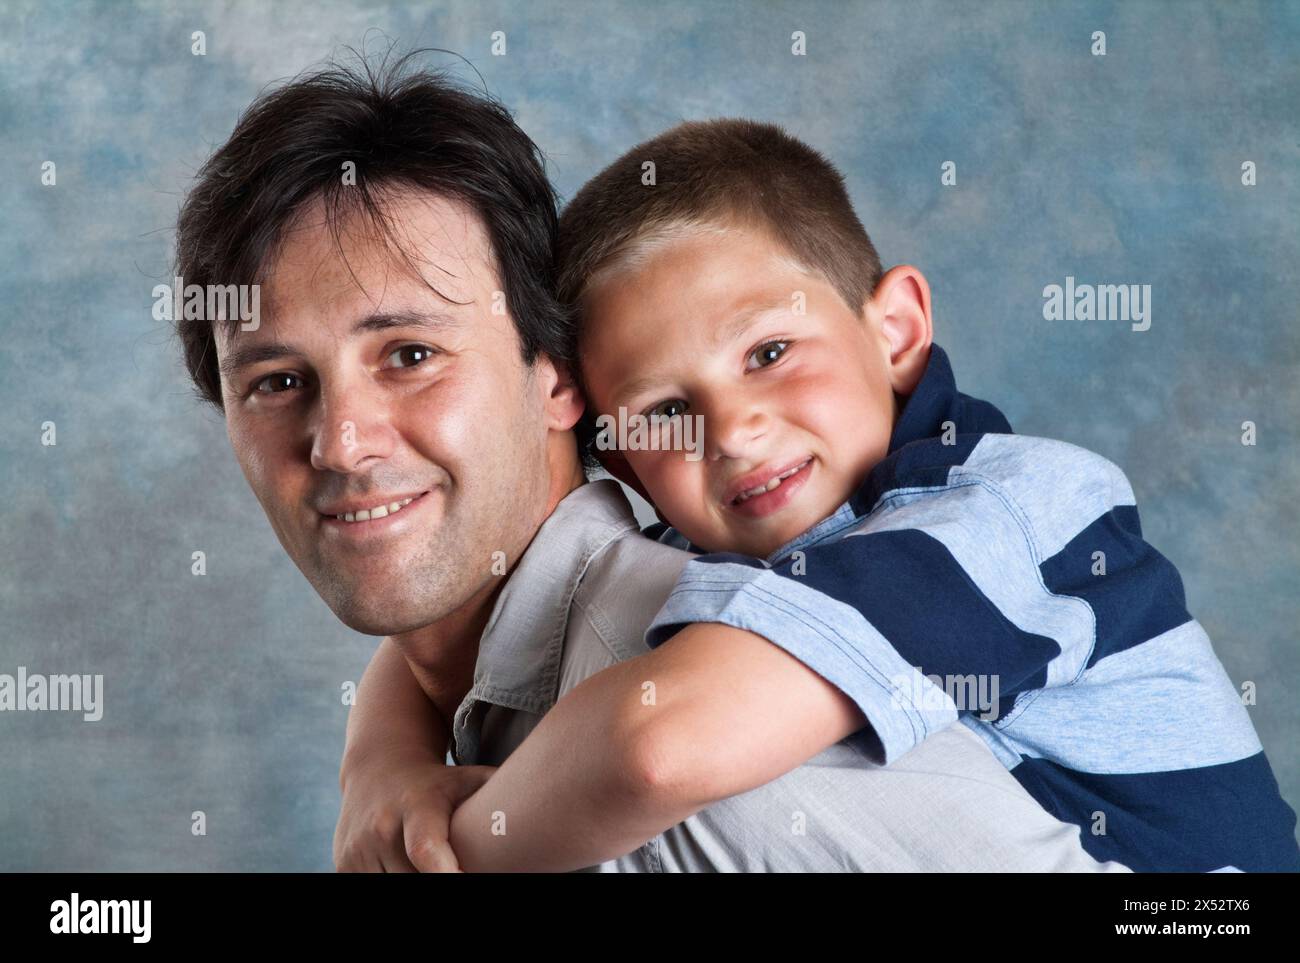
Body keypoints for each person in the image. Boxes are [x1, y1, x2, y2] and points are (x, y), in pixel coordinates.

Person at [175, 53, 1127, 872]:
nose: (343, 443)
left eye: (412, 355)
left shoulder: (723, 735)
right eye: (275, 381)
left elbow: (657, 753)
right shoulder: (492, 674)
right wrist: (378, 762)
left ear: (556, 381)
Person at [391, 118, 1297, 872]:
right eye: (666, 410)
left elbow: (658, 748)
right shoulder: (727, 531)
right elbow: (454, 632)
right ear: (625, 463)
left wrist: (455, 843)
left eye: (769, 353)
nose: (735, 431)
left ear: (895, 331)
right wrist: (385, 773)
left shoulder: (995, 511)